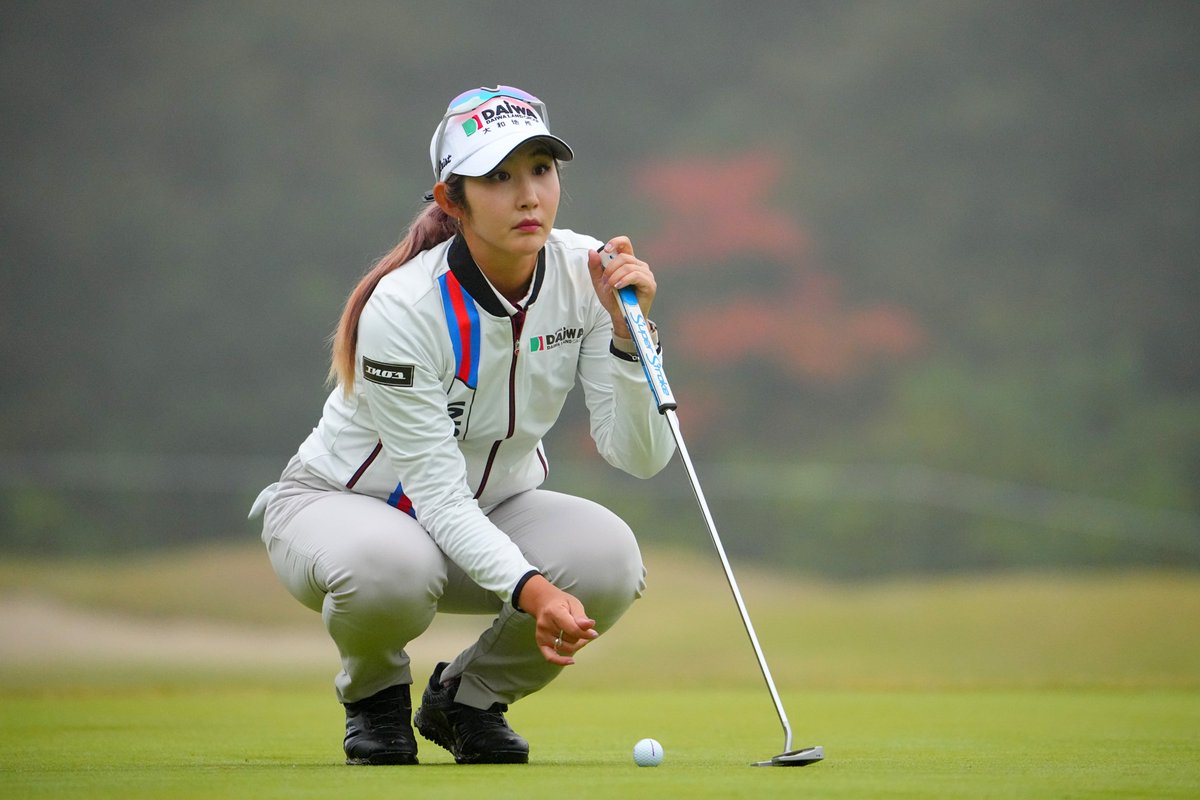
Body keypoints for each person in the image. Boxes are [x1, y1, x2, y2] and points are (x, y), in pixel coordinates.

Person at [249, 85, 675, 766]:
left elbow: (639, 456)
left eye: (541, 170)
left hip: (492, 508)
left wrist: (630, 338)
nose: (529, 195)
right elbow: (438, 499)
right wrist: (535, 591)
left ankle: (466, 702)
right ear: (452, 199)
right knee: (391, 565)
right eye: (498, 178)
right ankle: (375, 698)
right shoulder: (405, 306)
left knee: (610, 560)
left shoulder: (587, 274)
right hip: (341, 509)